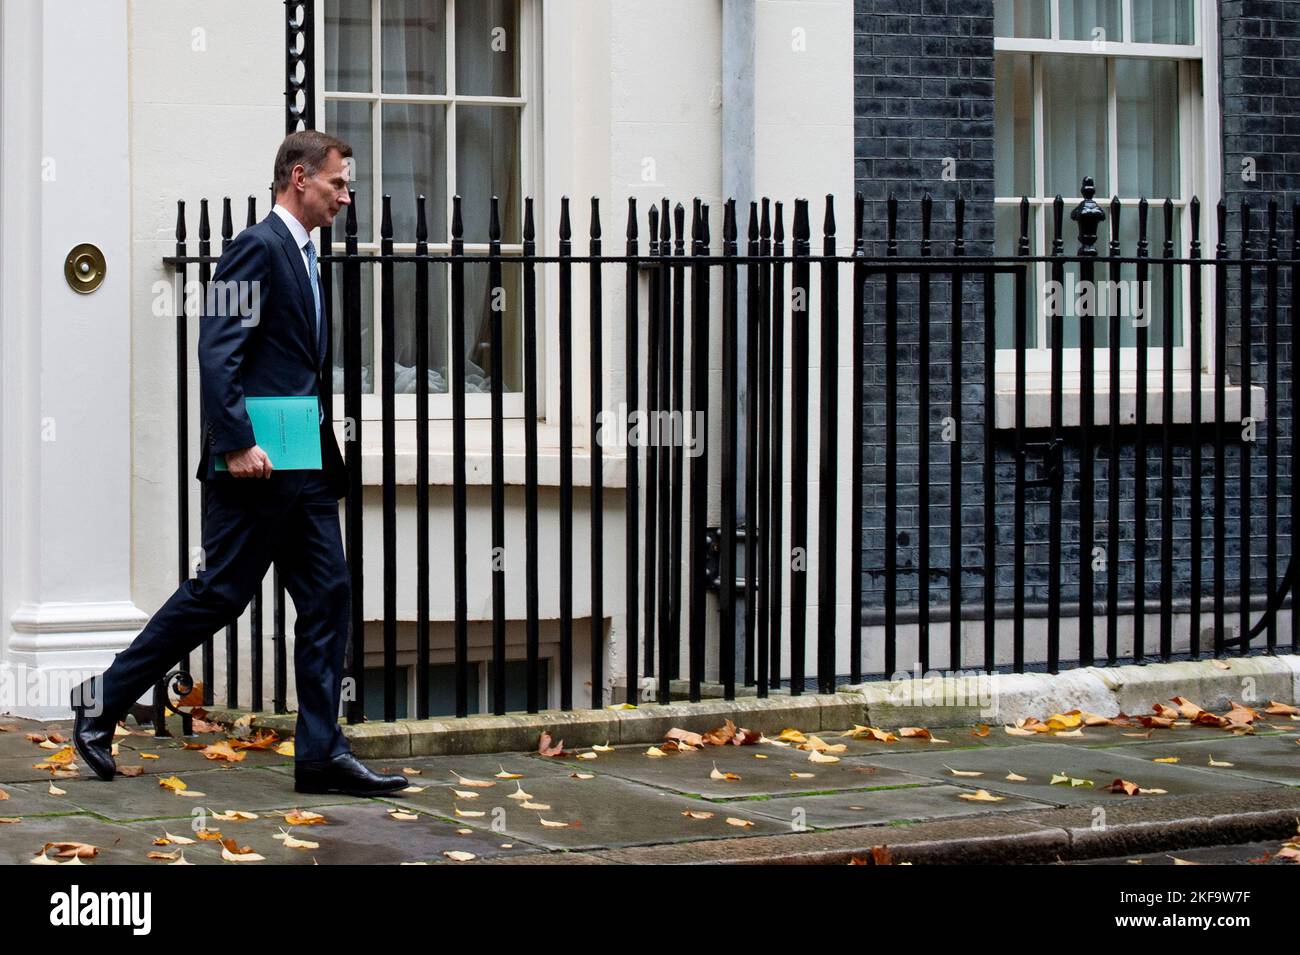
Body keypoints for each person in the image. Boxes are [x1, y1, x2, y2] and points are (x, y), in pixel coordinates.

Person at [70, 130, 405, 797]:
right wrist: (234, 440)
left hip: (303, 461)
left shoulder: (309, 255)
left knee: (328, 594)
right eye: (339, 182)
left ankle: (320, 753)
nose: (348, 194)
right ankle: (100, 702)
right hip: (254, 465)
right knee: (218, 593)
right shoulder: (256, 247)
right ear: (299, 177)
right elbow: (217, 348)